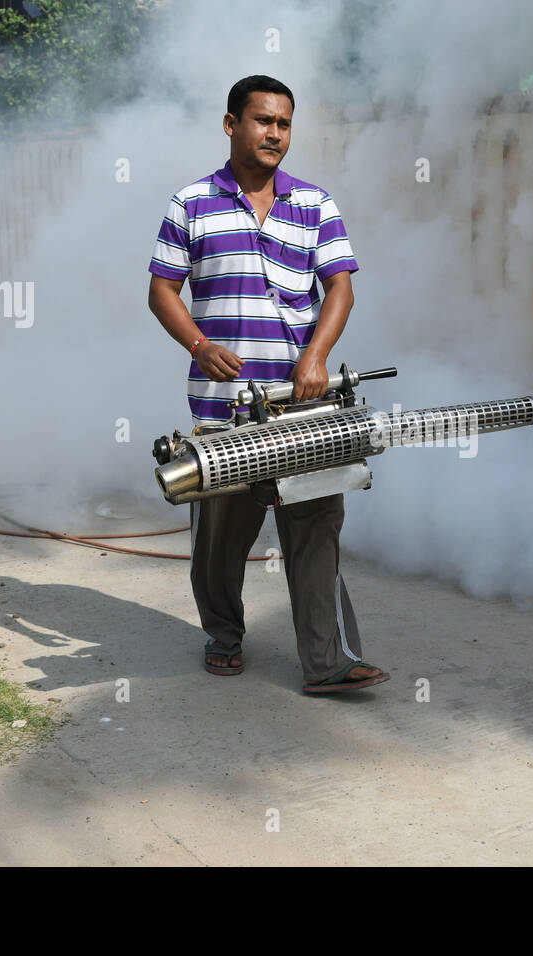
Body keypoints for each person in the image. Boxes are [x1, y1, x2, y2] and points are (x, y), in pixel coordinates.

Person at [147, 75, 390, 694]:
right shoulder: (191, 203)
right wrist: (199, 346)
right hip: (224, 411)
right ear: (231, 124)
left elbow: (341, 287)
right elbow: (161, 290)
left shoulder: (315, 204)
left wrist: (317, 358)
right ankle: (224, 635)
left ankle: (327, 661)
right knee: (220, 540)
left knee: (316, 528)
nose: (274, 133)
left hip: (303, 406)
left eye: (284, 123)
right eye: (262, 121)